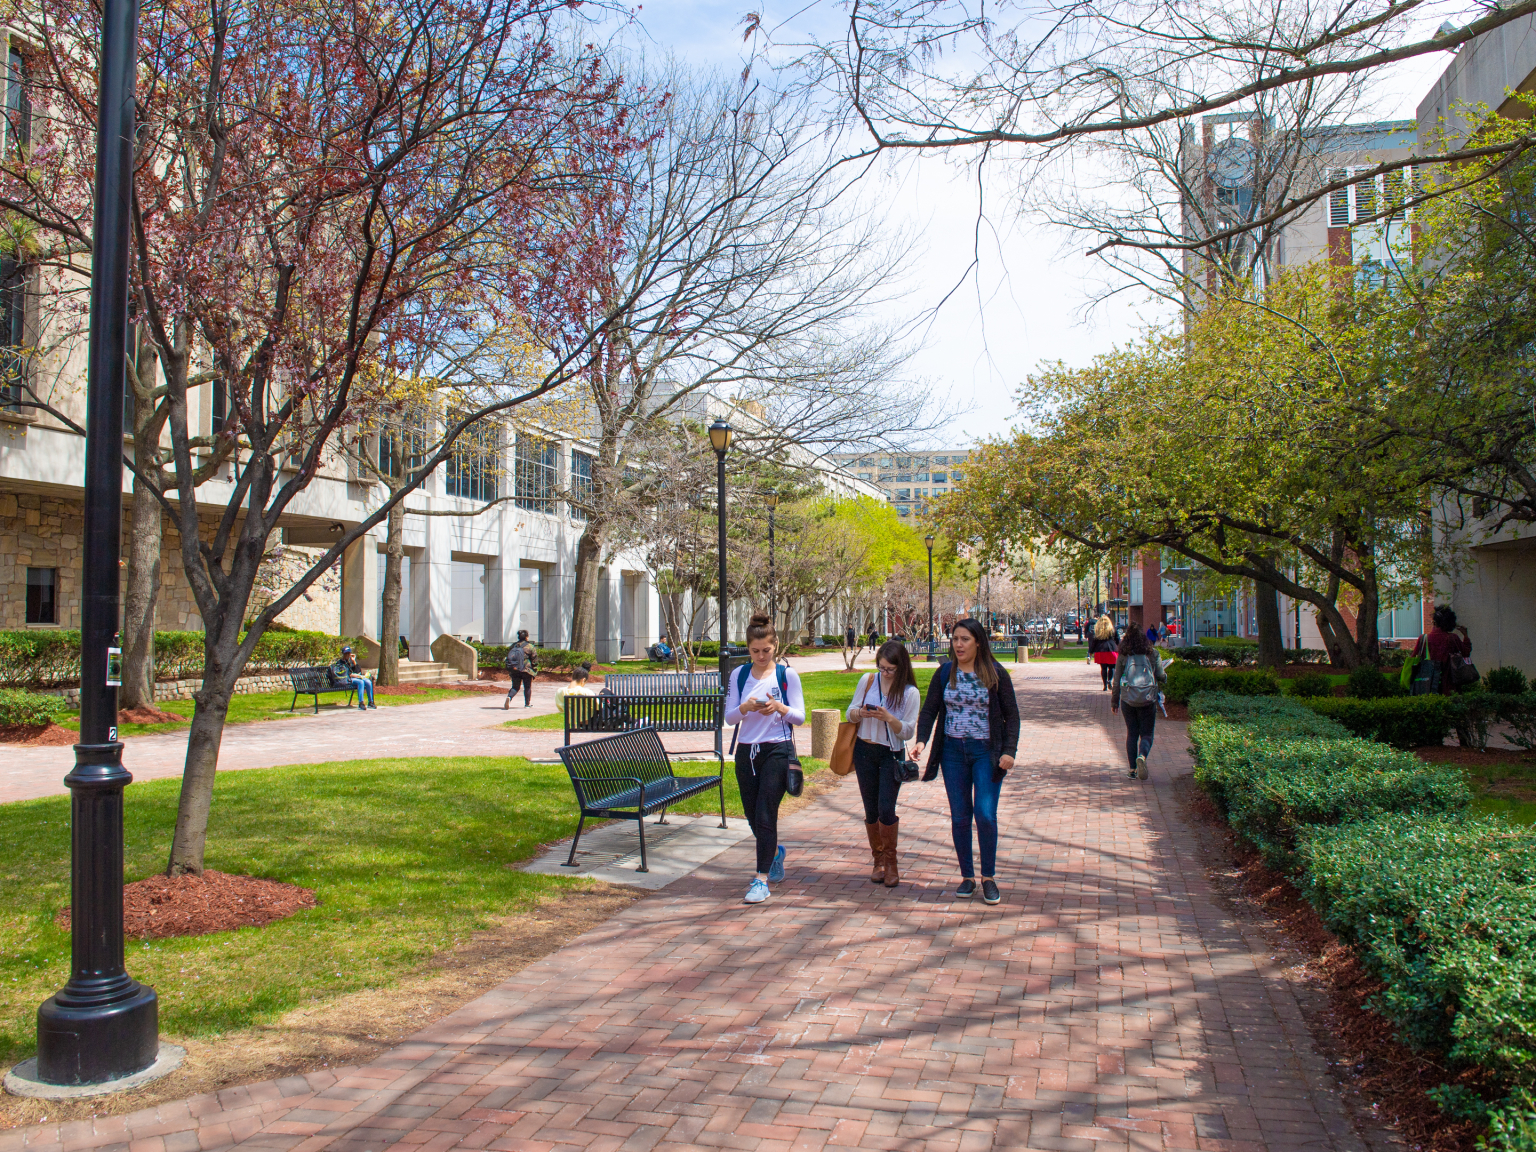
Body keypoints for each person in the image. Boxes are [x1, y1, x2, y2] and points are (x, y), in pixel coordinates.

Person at [912, 618, 1020, 906]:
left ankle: (989, 878)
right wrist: (922, 740)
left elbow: (1012, 716)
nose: (958, 644)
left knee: (985, 814)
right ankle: (967, 877)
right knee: (960, 816)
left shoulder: (996, 673)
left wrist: (1009, 751)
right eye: (955, 639)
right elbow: (929, 710)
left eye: (964, 639)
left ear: (978, 642)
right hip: (952, 752)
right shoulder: (945, 672)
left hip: (986, 752)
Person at [724, 613, 806, 905]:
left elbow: (800, 716)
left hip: (777, 750)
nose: (761, 656)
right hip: (747, 752)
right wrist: (745, 707)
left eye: (766, 650)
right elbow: (730, 717)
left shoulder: (786, 675)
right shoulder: (739, 675)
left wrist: (779, 707)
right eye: (755, 651)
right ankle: (774, 853)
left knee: (765, 813)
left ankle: (761, 880)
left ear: (776, 646)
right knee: (751, 816)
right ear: (748, 648)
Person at [846, 640, 922, 887]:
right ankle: (877, 860)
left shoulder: (910, 692)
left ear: (901, 667)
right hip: (864, 749)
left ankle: (891, 863)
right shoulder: (868, 680)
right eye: (882, 667)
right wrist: (861, 713)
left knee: (886, 809)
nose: (885, 673)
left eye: (890, 669)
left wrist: (889, 718)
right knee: (871, 809)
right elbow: (850, 711)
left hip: (891, 753)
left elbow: (908, 732)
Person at [1110, 624, 1168, 781]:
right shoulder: (1152, 653)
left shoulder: (1123, 655)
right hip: (1148, 699)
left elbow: (1116, 681)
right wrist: (1164, 676)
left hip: (1128, 699)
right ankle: (1142, 756)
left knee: (1132, 733)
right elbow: (1161, 675)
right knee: (1147, 733)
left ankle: (1132, 770)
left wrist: (1114, 701)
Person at [1419, 605, 1473, 694]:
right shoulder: (1452, 638)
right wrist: (1465, 636)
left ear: (1434, 622)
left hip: (1428, 683)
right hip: (1449, 684)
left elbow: (1414, 658)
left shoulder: (1424, 639)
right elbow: (1466, 653)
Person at [503, 630, 537, 709]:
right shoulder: (530, 646)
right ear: (526, 637)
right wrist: (534, 669)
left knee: (515, 687)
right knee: (527, 687)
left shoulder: (513, 646)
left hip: (515, 669)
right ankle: (527, 704)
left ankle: (509, 697)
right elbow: (534, 659)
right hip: (526, 670)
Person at [337, 645, 375, 710]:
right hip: (347, 680)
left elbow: (357, 671)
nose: (347, 655)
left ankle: (371, 702)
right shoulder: (340, 663)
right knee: (361, 682)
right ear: (343, 654)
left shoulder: (351, 662)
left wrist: (354, 661)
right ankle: (361, 703)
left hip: (355, 678)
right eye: (346, 653)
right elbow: (348, 674)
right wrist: (358, 676)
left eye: (348, 653)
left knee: (368, 681)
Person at [1087, 615, 1119, 690]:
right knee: (1112, 668)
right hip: (1111, 650)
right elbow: (1117, 640)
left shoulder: (1098, 630)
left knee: (1103, 668)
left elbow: (1094, 642)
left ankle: (1105, 685)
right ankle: (1109, 681)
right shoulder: (1112, 629)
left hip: (1100, 650)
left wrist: (1090, 652)